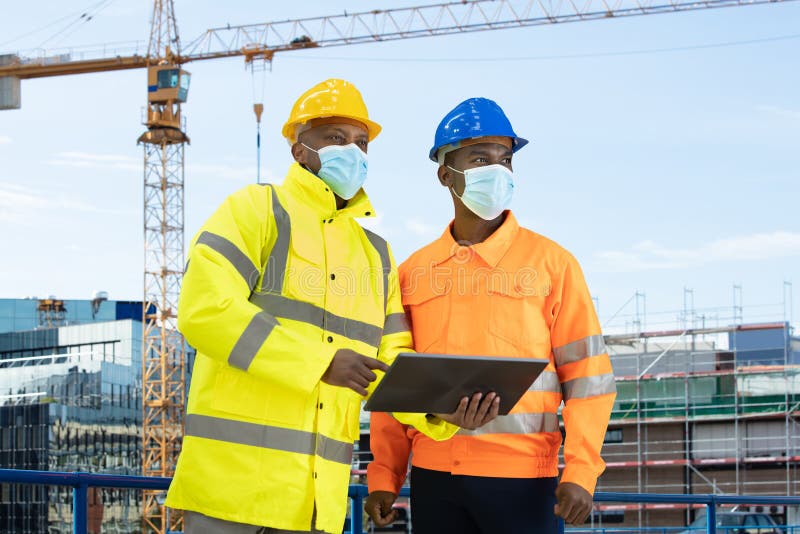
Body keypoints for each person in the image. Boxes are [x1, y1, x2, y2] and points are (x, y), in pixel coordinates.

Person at [165, 80, 499, 534]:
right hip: (231, 495)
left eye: (361, 142)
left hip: (317, 506)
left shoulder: (375, 253)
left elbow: (393, 364)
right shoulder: (256, 210)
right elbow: (204, 309)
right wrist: (321, 363)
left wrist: (440, 411)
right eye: (335, 138)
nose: (353, 152)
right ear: (299, 148)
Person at [365, 97, 617, 533]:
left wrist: (581, 472)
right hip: (434, 479)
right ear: (446, 175)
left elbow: (588, 378)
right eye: (481, 158)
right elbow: (396, 382)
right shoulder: (410, 273)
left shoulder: (553, 265)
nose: (497, 170)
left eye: (505, 159)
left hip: (524, 481)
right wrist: (385, 475)